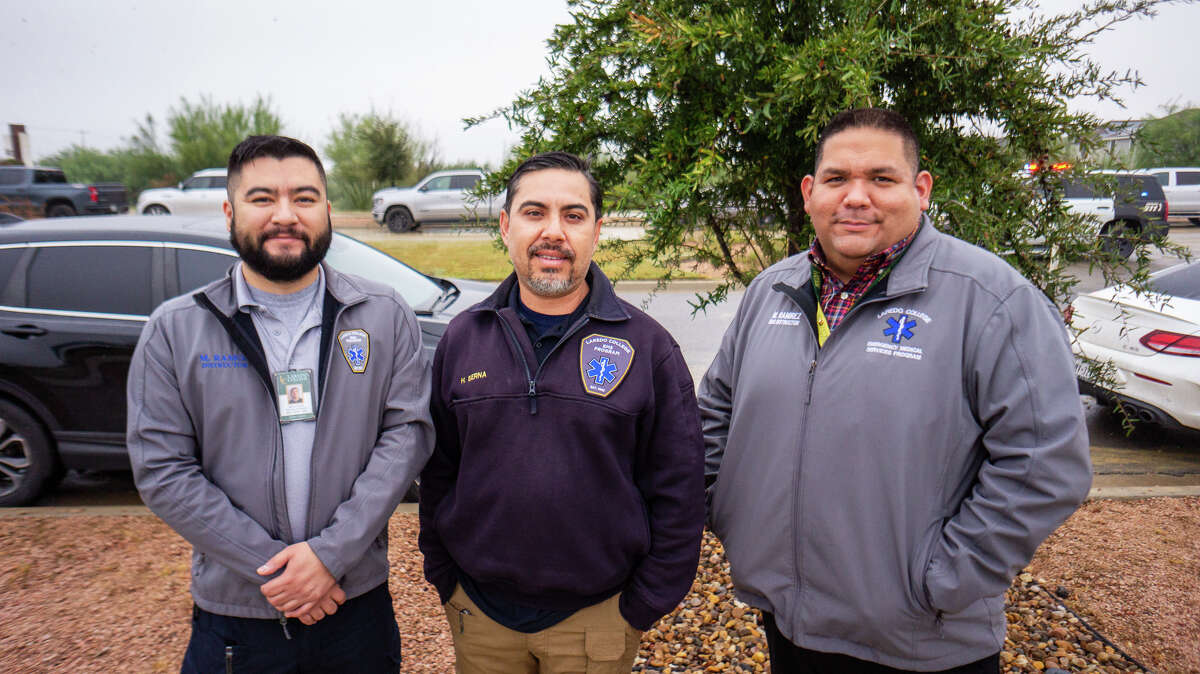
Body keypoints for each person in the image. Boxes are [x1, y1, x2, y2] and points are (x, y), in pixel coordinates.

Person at [698, 108, 1092, 673]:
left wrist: (945, 579)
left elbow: (1045, 462)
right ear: (810, 192)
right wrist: (727, 513)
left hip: (922, 638)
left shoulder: (992, 299)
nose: (856, 197)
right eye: (837, 179)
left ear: (920, 189)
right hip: (788, 620)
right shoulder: (771, 292)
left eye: (881, 179)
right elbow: (715, 412)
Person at [127, 135, 432, 673]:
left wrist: (330, 557)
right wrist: (281, 571)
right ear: (230, 211)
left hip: (354, 609)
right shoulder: (176, 330)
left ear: (328, 210)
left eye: (305, 198)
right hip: (237, 620)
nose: (285, 215)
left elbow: (406, 436)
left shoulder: (384, 315)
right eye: (263, 198)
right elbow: (163, 469)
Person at [419, 151, 705, 672]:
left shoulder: (648, 347)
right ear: (506, 227)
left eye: (573, 216)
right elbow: (439, 471)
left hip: (596, 620)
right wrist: (445, 576)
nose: (553, 231)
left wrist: (641, 606)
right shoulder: (463, 339)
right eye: (534, 213)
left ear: (597, 231)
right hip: (480, 620)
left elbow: (680, 488)